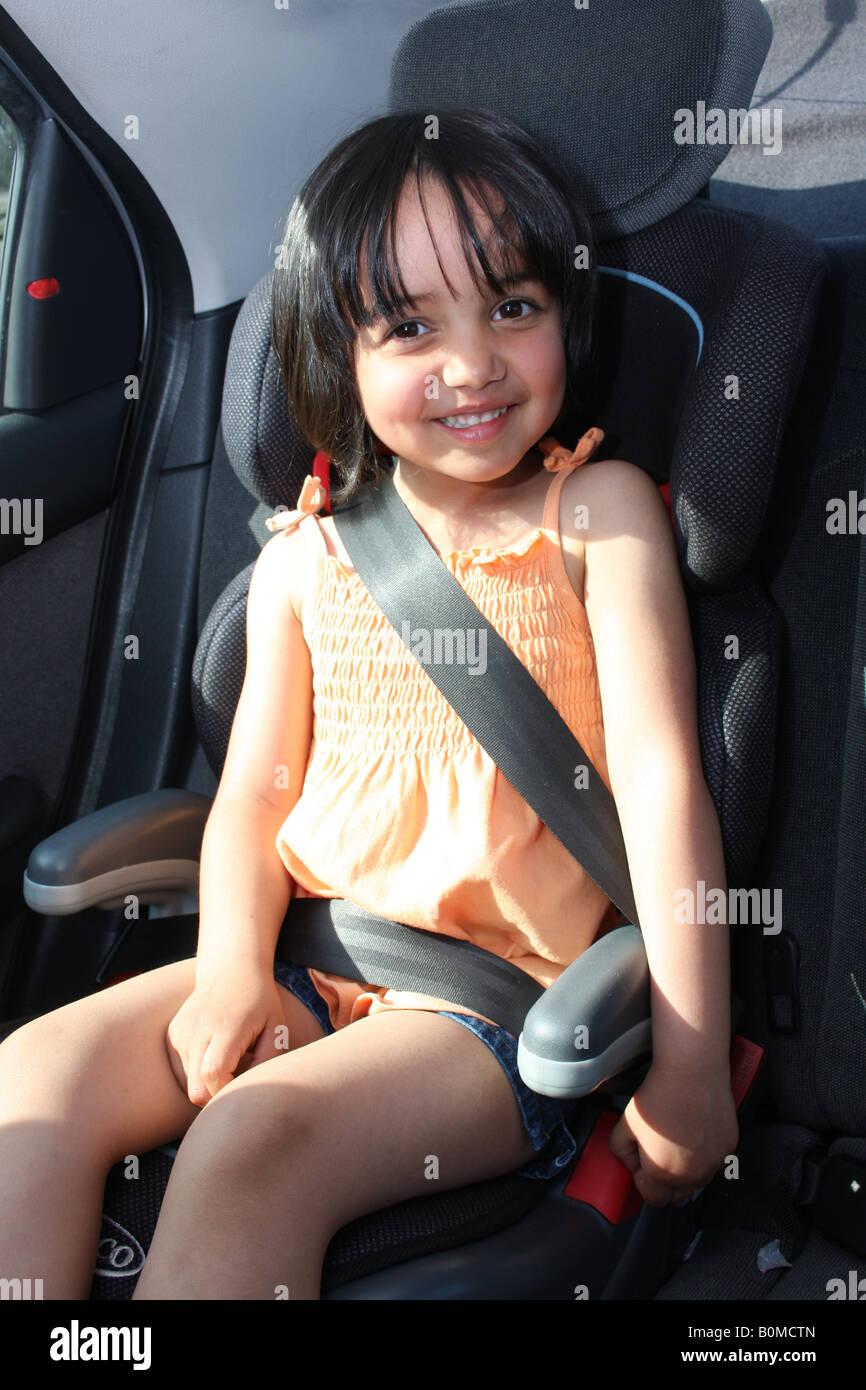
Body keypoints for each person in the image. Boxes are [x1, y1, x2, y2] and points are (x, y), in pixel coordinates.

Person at [0, 107, 738, 1301]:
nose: (472, 363)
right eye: (407, 326)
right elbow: (249, 802)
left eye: (513, 307)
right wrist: (233, 968)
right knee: (30, 1079)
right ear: (331, 354)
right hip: (302, 965)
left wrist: (692, 1061)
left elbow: (659, 789)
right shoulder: (305, 555)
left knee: (251, 1142)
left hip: (487, 1018)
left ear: (566, 314)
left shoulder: (596, 513)